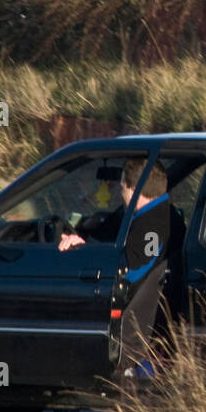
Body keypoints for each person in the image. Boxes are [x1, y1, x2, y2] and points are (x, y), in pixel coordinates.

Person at [60, 158, 171, 380]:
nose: (121, 193)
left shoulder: (153, 223)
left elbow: (133, 269)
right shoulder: (154, 215)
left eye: (122, 187)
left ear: (133, 188)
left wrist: (83, 249)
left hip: (135, 330)